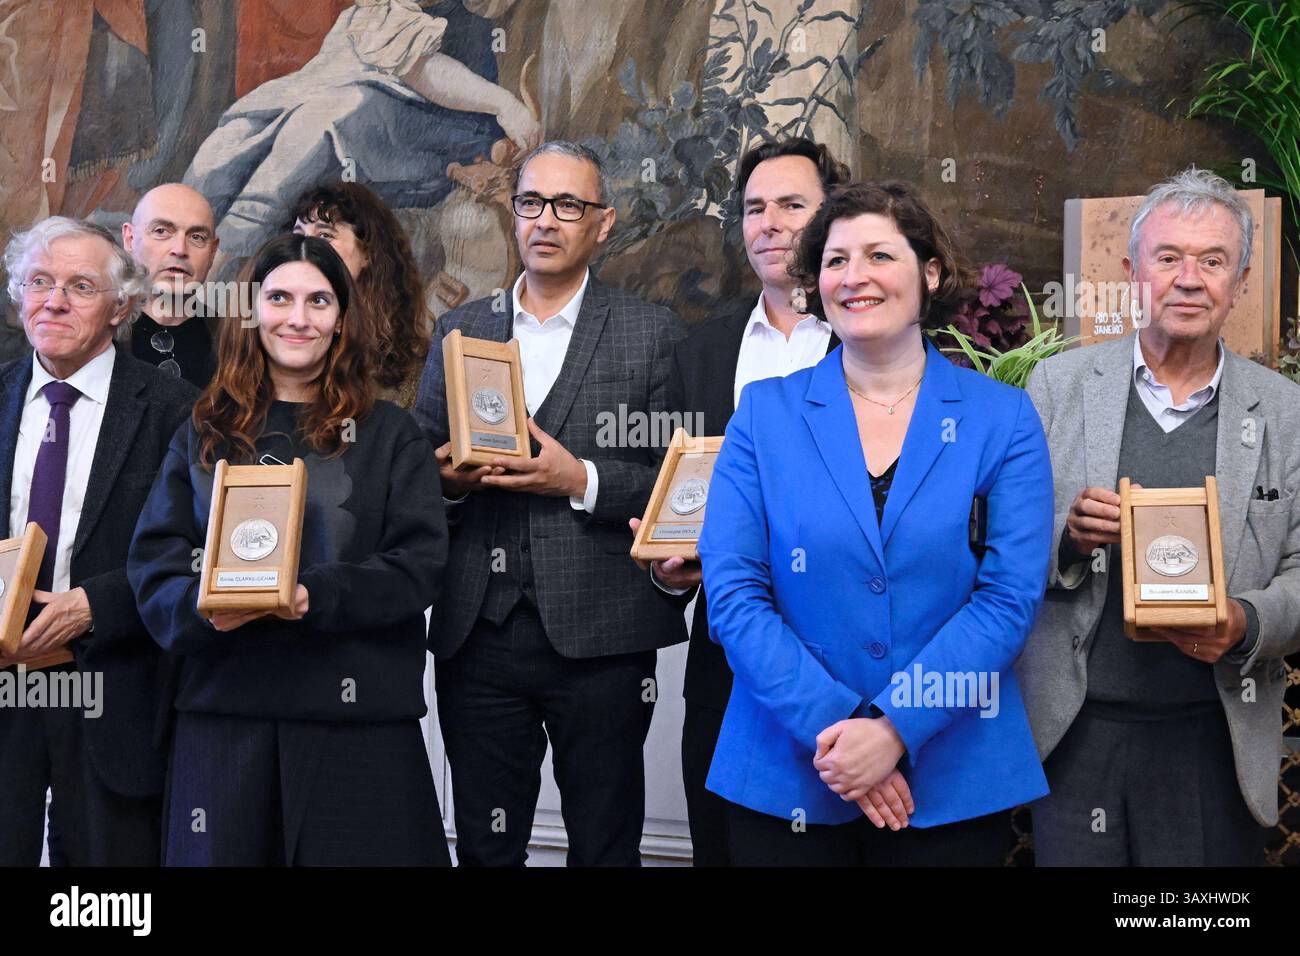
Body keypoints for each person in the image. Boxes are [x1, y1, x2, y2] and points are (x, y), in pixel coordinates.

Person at [698, 182, 1053, 866]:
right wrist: (841, 730)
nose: (854, 278)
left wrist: (894, 728)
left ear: (929, 273)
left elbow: (1008, 601)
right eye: (835, 261)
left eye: (879, 256)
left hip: (950, 778)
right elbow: (735, 593)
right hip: (789, 772)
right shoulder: (764, 414)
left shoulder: (1001, 419)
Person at [127, 234, 451, 866]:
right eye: (279, 297)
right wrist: (203, 606)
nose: (297, 318)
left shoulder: (390, 435)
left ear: (342, 320)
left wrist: (314, 595)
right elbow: (155, 565)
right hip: (225, 721)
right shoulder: (205, 428)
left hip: (357, 727)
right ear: (252, 311)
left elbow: (419, 569)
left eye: (319, 301)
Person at [413, 140, 687, 866]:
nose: (545, 220)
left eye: (569, 205)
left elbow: (675, 486)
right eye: (531, 202)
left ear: (603, 223)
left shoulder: (651, 333)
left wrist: (581, 481)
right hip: (479, 633)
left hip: (602, 639)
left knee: (604, 845)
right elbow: (415, 476)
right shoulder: (461, 330)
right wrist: (449, 478)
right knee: (486, 843)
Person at [1019, 167, 1300, 866]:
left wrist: (1247, 621)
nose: (1188, 278)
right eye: (1168, 257)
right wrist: (1068, 539)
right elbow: (997, 543)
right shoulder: (1056, 387)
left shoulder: (1287, 411)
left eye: (1212, 261)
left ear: (1238, 282)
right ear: (1132, 272)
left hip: (1214, 738)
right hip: (1077, 735)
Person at [640, 137, 850, 867]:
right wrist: (667, 571)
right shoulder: (699, 351)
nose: (770, 223)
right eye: (755, 208)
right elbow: (674, 498)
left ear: (834, 217)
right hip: (725, 663)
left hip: (847, 660)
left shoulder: (877, 342)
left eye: (793, 204)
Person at [0, 218, 197, 865]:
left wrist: (95, 606)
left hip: (113, 685)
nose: (53, 300)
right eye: (39, 282)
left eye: (80, 286)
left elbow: (197, 555)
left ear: (122, 307)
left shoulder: (179, 411)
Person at [288, 182, 431, 407]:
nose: (305, 247)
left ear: (368, 253)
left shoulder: (415, 371)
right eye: (298, 236)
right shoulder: (271, 340)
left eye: (325, 235)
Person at [122, 183, 220, 388]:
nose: (179, 249)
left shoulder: (236, 344)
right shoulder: (95, 332)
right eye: (161, 231)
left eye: (197, 237)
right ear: (130, 239)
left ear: (212, 252)